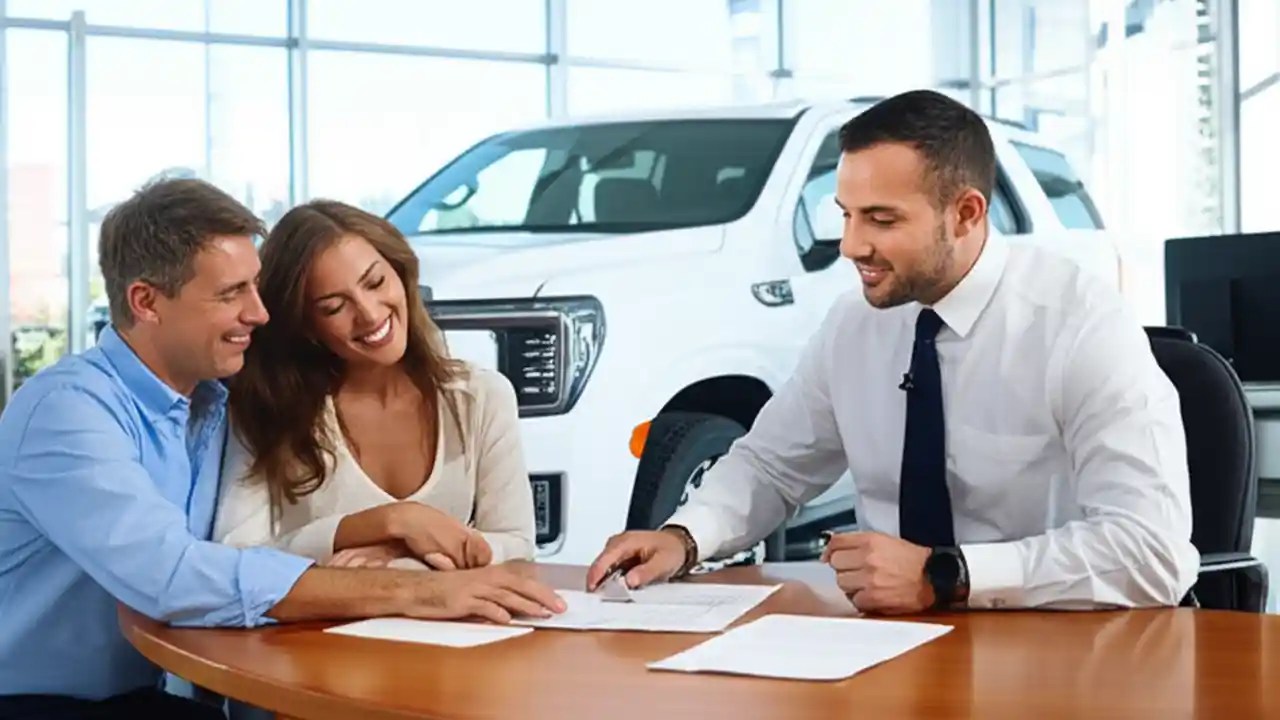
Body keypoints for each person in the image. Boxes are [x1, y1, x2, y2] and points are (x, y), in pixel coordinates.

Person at [586, 89, 1199, 614]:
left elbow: (1153, 550)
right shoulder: (855, 324)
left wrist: (946, 575)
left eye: (881, 219)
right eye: (847, 215)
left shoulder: (1080, 323)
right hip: (887, 644)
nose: (851, 245)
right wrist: (685, 536)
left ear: (965, 214)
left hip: (1054, 647)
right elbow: (771, 466)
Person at [0, 179, 563, 719]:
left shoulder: (212, 404)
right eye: (231, 294)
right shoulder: (68, 412)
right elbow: (172, 576)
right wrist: (412, 589)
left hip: (142, 699)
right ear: (147, 302)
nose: (260, 314)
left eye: (256, 287)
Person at [213, 200, 535, 571]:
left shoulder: (482, 396)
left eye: (375, 282)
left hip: (450, 626)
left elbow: (516, 544)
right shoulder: (267, 405)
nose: (368, 314)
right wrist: (387, 523)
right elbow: (234, 554)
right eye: (334, 307)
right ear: (305, 325)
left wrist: (403, 552)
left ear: (400, 272)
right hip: (313, 629)